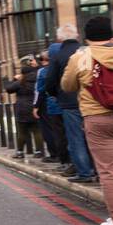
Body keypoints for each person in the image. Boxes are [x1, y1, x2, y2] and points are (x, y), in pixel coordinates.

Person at [61, 16, 113, 225]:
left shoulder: (81, 57)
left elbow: (67, 85)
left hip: (98, 118)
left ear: (88, 37)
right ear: (111, 34)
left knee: (109, 171)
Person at [45, 23, 97, 183]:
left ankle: (84, 172)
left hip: (69, 103)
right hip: (92, 101)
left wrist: (57, 95)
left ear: (60, 38)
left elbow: (50, 82)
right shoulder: (87, 52)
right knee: (95, 138)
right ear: (77, 36)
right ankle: (99, 170)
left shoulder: (58, 56)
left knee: (76, 139)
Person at [5, 56, 43, 160]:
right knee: (36, 130)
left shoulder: (20, 82)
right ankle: (39, 151)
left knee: (22, 132)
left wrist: (14, 79)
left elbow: (8, 89)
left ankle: (20, 152)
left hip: (22, 109)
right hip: (35, 107)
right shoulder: (37, 79)